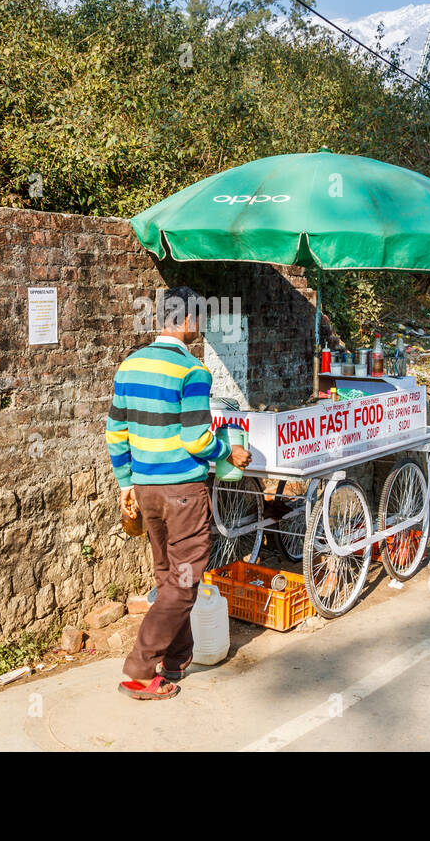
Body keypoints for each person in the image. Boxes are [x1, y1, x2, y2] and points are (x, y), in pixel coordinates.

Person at [105, 286, 251, 700]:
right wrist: (231, 450)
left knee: (168, 576)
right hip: (182, 493)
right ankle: (138, 670)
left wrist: (126, 485)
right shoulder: (193, 371)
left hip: (147, 492)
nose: (200, 327)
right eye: (200, 319)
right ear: (188, 322)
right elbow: (196, 440)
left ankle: (176, 659)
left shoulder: (129, 366)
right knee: (185, 582)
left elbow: (115, 433)